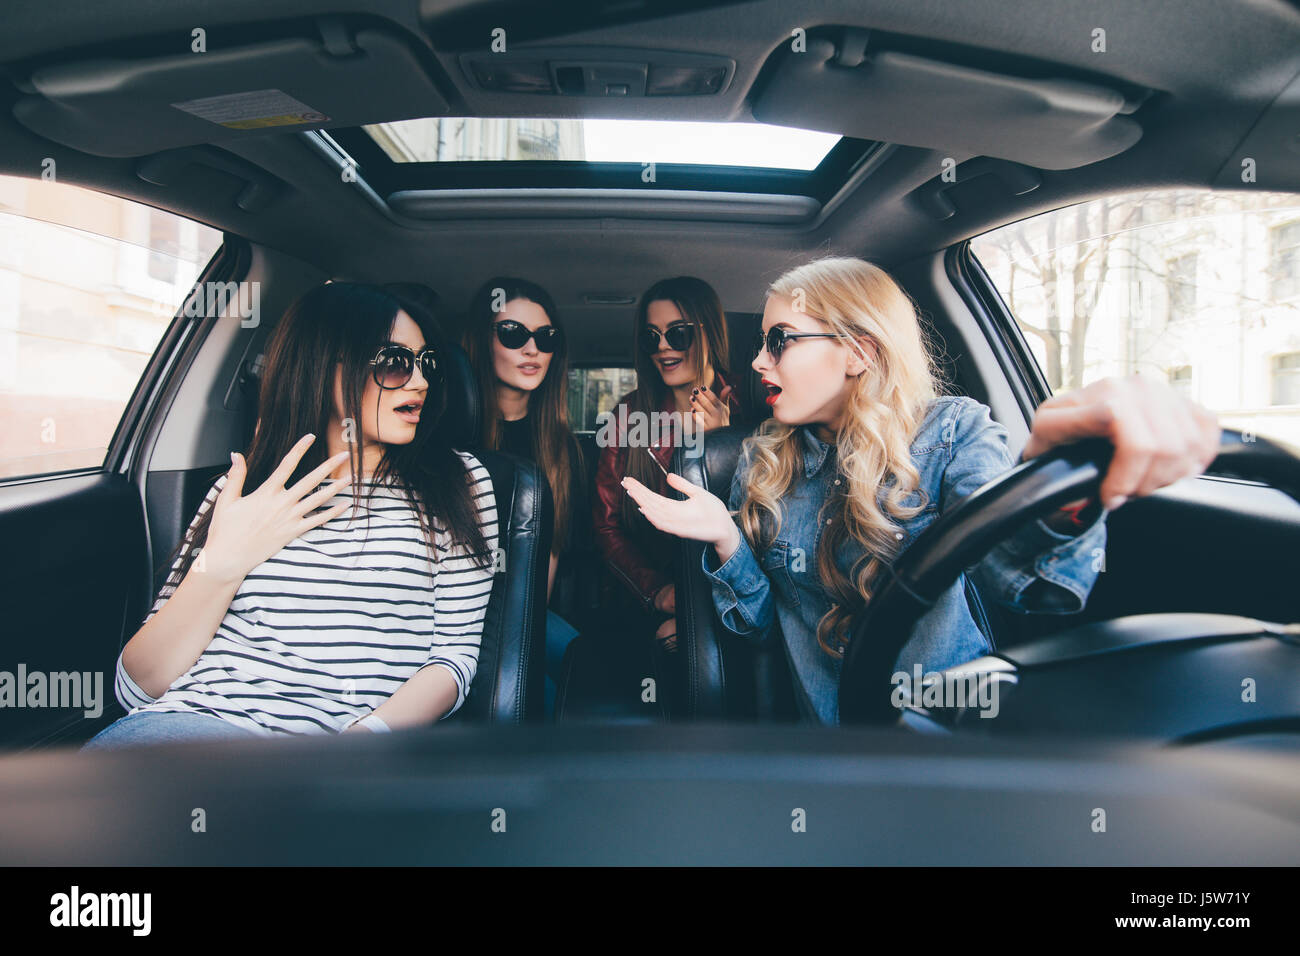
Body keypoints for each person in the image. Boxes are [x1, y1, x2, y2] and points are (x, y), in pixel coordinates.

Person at [623, 257, 1220, 725]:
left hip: (957, 744)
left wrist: (1055, 478)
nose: (757, 361)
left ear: (858, 350)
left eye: (779, 340)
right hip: (833, 759)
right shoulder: (762, 461)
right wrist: (727, 538)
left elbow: (1027, 581)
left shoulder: (954, 430)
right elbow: (755, 628)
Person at [84, 281, 499, 748]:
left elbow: (454, 658)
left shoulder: (459, 484)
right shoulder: (243, 490)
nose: (420, 381)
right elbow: (137, 688)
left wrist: (362, 742)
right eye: (394, 362)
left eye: (426, 363)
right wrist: (222, 564)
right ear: (325, 366)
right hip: (191, 728)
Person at [593, 276, 741, 670]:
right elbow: (606, 528)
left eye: (678, 334)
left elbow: (765, 523)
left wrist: (722, 446)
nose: (662, 347)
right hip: (655, 597)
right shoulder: (628, 416)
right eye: (652, 337)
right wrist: (656, 592)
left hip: (734, 591)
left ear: (708, 333)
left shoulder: (754, 405)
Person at [463, 277, 584, 718]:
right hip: (450, 608)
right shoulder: (450, 431)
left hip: (521, 604)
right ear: (482, 339)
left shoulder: (559, 445)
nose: (533, 349)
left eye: (546, 338)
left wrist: (522, 620)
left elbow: (546, 556)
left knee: (576, 668)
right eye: (514, 334)